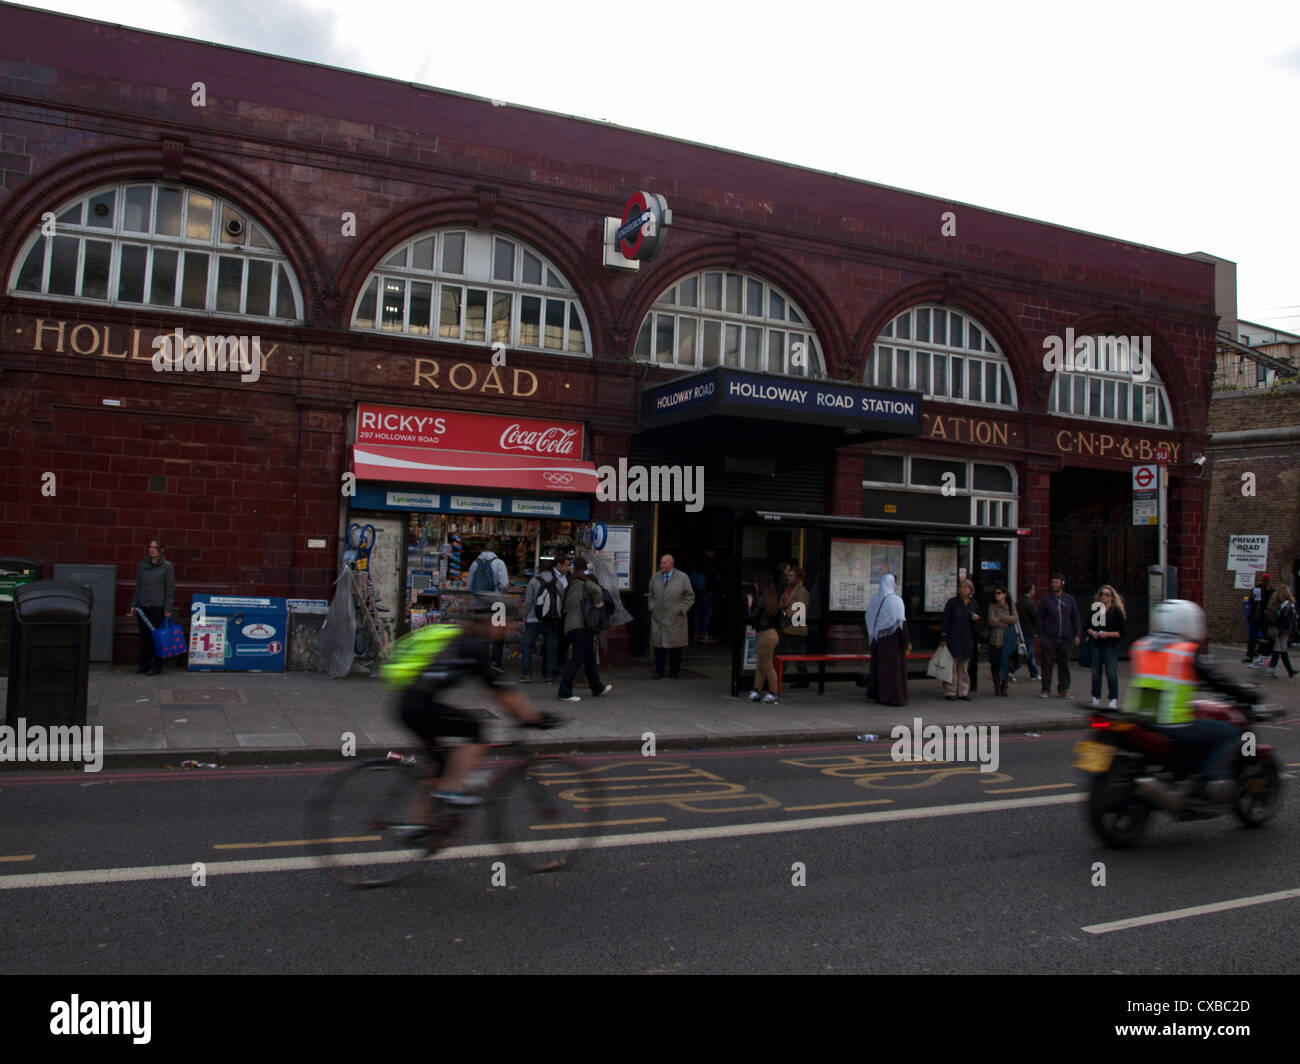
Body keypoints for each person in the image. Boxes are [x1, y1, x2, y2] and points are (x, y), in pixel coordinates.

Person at [387, 596, 556, 812]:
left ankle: (418, 828)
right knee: (473, 727)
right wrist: (532, 718)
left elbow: (497, 688)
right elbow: (500, 692)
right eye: (508, 624)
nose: (510, 630)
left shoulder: (463, 639)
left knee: (441, 770)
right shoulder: (473, 647)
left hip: (408, 704)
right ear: (494, 622)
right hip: (418, 708)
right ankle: (451, 789)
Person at [1125, 599, 1257, 810]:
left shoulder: (1141, 645)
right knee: (1231, 734)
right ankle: (1205, 786)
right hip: (1172, 723)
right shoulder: (1185, 651)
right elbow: (1217, 680)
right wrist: (1247, 695)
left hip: (1140, 719)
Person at [557, 556, 613, 702]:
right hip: (581, 626)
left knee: (588, 658)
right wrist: (598, 605)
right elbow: (597, 591)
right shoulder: (584, 582)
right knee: (576, 659)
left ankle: (597, 687)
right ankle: (564, 691)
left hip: (570, 626)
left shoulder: (570, 584)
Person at [127, 537, 174, 676]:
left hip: (157, 607)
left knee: (156, 638)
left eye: (154, 548)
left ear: (161, 550)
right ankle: (143, 664)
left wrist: (168, 609)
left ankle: (156, 665)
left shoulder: (167, 567)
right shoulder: (143, 565)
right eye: (150, 547)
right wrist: (134, 604)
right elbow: (138, 586)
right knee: (144, 637)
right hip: (143, 607)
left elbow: (170, 589)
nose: (151, 550)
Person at [647, 553, 694, 679]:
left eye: (664, 563)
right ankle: (658, 671)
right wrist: (652, 607)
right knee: (659, 647)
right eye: (661, 562)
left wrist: (682, 609)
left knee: (675, 647)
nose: (661, 565)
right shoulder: (656, 577)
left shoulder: (683, 577)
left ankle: (674, 671)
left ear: (671, 564)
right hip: (658, 618)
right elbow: (650, 594)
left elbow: (690, 596)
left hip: (675, 618)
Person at [865, 573, 909, 705]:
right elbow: (901, 623)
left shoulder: (874, 600)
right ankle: (894, 697)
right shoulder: (896, 600)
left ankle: (880, 695)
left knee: (880, 668)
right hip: (893, 641)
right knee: (894, 670)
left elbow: (868, 617)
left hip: (878, 640)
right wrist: (907, 641)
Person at [1037, 572, 1081, 699]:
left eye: (1056, 582)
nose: (1054, 585)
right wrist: (1041, 634)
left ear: (1062, 584)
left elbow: (1075, 617)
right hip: (1049, 637)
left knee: (1064, 665)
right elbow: (1039, 617)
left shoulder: (1069, 599)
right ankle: (1045, 689)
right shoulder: (1046, 600)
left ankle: (1064, 689)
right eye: (1053, 582)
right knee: (1047, 664)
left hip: (1066, 637)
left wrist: (1077, 634)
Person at [467, 541, 510, 667]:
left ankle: (480, 662)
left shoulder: (475, 563)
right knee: (498, 635)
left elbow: (469, 586)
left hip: (479, 603)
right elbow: (505, 584)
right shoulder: (499, 563)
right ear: (494, 550)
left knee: (480, 634)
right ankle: (495, 662)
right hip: (497, 604)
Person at [520, 559, 561, 683]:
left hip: (533, 619)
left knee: (527, 645)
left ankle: (527, 674)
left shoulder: (533, 581)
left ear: (539, 569)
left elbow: (528, 602)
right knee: (551, 647)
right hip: (551, 619)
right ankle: (550, 675)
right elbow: (561, 599)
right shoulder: (558, 582)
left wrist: (525, 616)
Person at [939, 580, 980, 701]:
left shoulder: (974, 604)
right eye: (961, 587)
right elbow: (945, 620)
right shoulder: (953, 603)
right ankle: (950, 691)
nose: (963, 589)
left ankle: (963, 691)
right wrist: (943, 636)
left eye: (966, 587)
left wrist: (977, 619)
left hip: (967, 638)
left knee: (964, 667)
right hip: (953, 637)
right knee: (952, 666)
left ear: (971, 590)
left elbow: (978, 623)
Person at [1087, 584, 1126, 707]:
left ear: (1112, 597)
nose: (1104, 596)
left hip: (1110, 645)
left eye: (1107, 594)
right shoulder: (1096, 609)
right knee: (1096, 672)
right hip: (1097, 644)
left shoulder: (1116, 612)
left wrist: (1107, 634)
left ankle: (1113, 698)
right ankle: (1095, 697)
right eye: (1102, 594)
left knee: (1111, 672)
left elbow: (1121, 633)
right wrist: (1093, 632)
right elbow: (1086, 626)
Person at [746, 573, 783, 704]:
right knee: (761, 664)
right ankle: (756, 690)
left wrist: (749, 604)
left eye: (756, 585)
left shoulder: (761, 599)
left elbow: (752, 617)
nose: (755, 587)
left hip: (765, 635)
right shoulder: (771, 598)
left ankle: (774, 693)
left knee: (766, 665)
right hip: (770, 634)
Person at [780, 566, 812, 689]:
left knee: (789, 654)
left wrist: (783, 614)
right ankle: (803, 678)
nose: (788, 578)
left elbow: (799, 610)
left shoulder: (802, 592)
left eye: (791, 575)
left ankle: (779, 678)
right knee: (794, 655)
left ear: (798, 578)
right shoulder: (788, 589)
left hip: (795, 628)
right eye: (788, 575)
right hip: (786, 626)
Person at [986, 586, 1016, 697]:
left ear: (1005, 594)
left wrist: (1001, 617)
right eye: (995, 593)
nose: (996, 595)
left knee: (1006, 664)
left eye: (999, 593)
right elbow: (991, 620)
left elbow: (1015, 619)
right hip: (995, 639)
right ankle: (997, 686)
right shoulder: (992, 606)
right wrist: (1006, 623)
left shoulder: (1010, 606)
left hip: (1008, 639)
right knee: (995, 664)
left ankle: (1004, 686)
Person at [1266, 585, 1296, 679]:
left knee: (1283, 650)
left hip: (1272, 628)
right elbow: (1286, 619)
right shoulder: (1285, 604)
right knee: (1278, 649)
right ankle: (1271, 669)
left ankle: (1290, 670)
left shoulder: (1273, 602)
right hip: (1280, 630)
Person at [1012, 582, 1040, 683]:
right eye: (1033, 589)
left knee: (1028, 653)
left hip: (1020, 631)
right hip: (1028, 631)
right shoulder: (1030, 603)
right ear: (1030, 590)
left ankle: (1034, 673)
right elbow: (1036, 617)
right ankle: (1012, 670)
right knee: (1026, 654)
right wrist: (1037, 630)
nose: (1034, 591)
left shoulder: (1019, 602)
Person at [690, 550, 717, 642]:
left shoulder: (698, 562)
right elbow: (713, 578)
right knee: (707, 613)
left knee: (698, 611)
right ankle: (704, 633)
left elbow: (692, 579)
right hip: (708, 590)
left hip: (699, 591)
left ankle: (697, 633)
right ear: (709, 552)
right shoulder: (711, 563)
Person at [1244, 572, 1271, 664]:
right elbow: (1251, 601)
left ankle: (1264, 654)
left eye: (1266, 580)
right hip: (1255, 616)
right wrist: (1251, 597)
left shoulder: (1270, 590)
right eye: (1264, 580)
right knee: (1252, 637)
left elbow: (1270, 603)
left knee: (1266, 637)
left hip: (1264, 618)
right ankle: (1249, 655)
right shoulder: (1256, 589)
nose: (1264, 582)